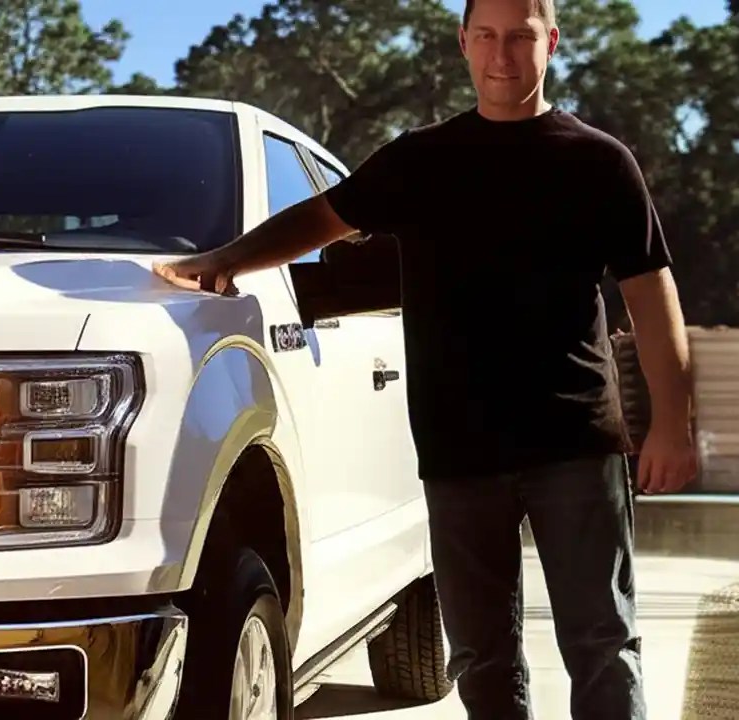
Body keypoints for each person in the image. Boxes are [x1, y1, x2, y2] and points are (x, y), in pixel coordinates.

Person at [152, 0, 698, 718]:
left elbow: (653, 298)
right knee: (482, 655)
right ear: (463, 42)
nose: (503, 55)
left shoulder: (599, 162)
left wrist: (672, 426)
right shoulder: (420, 159)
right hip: (458, 451)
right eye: (487, 36)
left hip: (574, 443)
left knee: (601, 642)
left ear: (553, 41)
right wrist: (226, 260)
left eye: (521, 37)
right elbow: (321, 218)